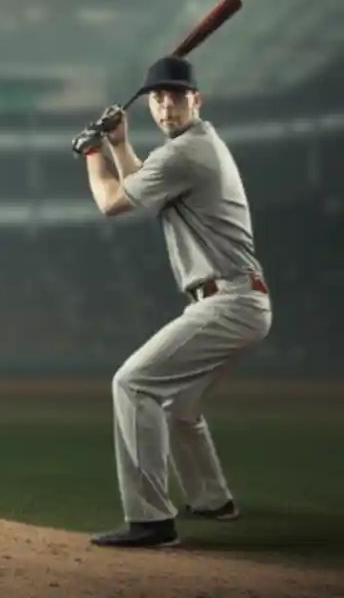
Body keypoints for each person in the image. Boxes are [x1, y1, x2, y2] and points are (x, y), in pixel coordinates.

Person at [73, 55, 273, 548]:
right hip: (240, 299)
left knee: (133, 383)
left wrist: (91, 153)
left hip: (228, 300)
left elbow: (112, 203)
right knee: (179, 405)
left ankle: (151, 521)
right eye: (158, 98)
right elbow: (149, 184)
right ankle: (212, 499)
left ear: (195, 101)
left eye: (176, 97)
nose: (165, 106)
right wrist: (118, 145)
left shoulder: (186, 151)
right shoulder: (193, 148)